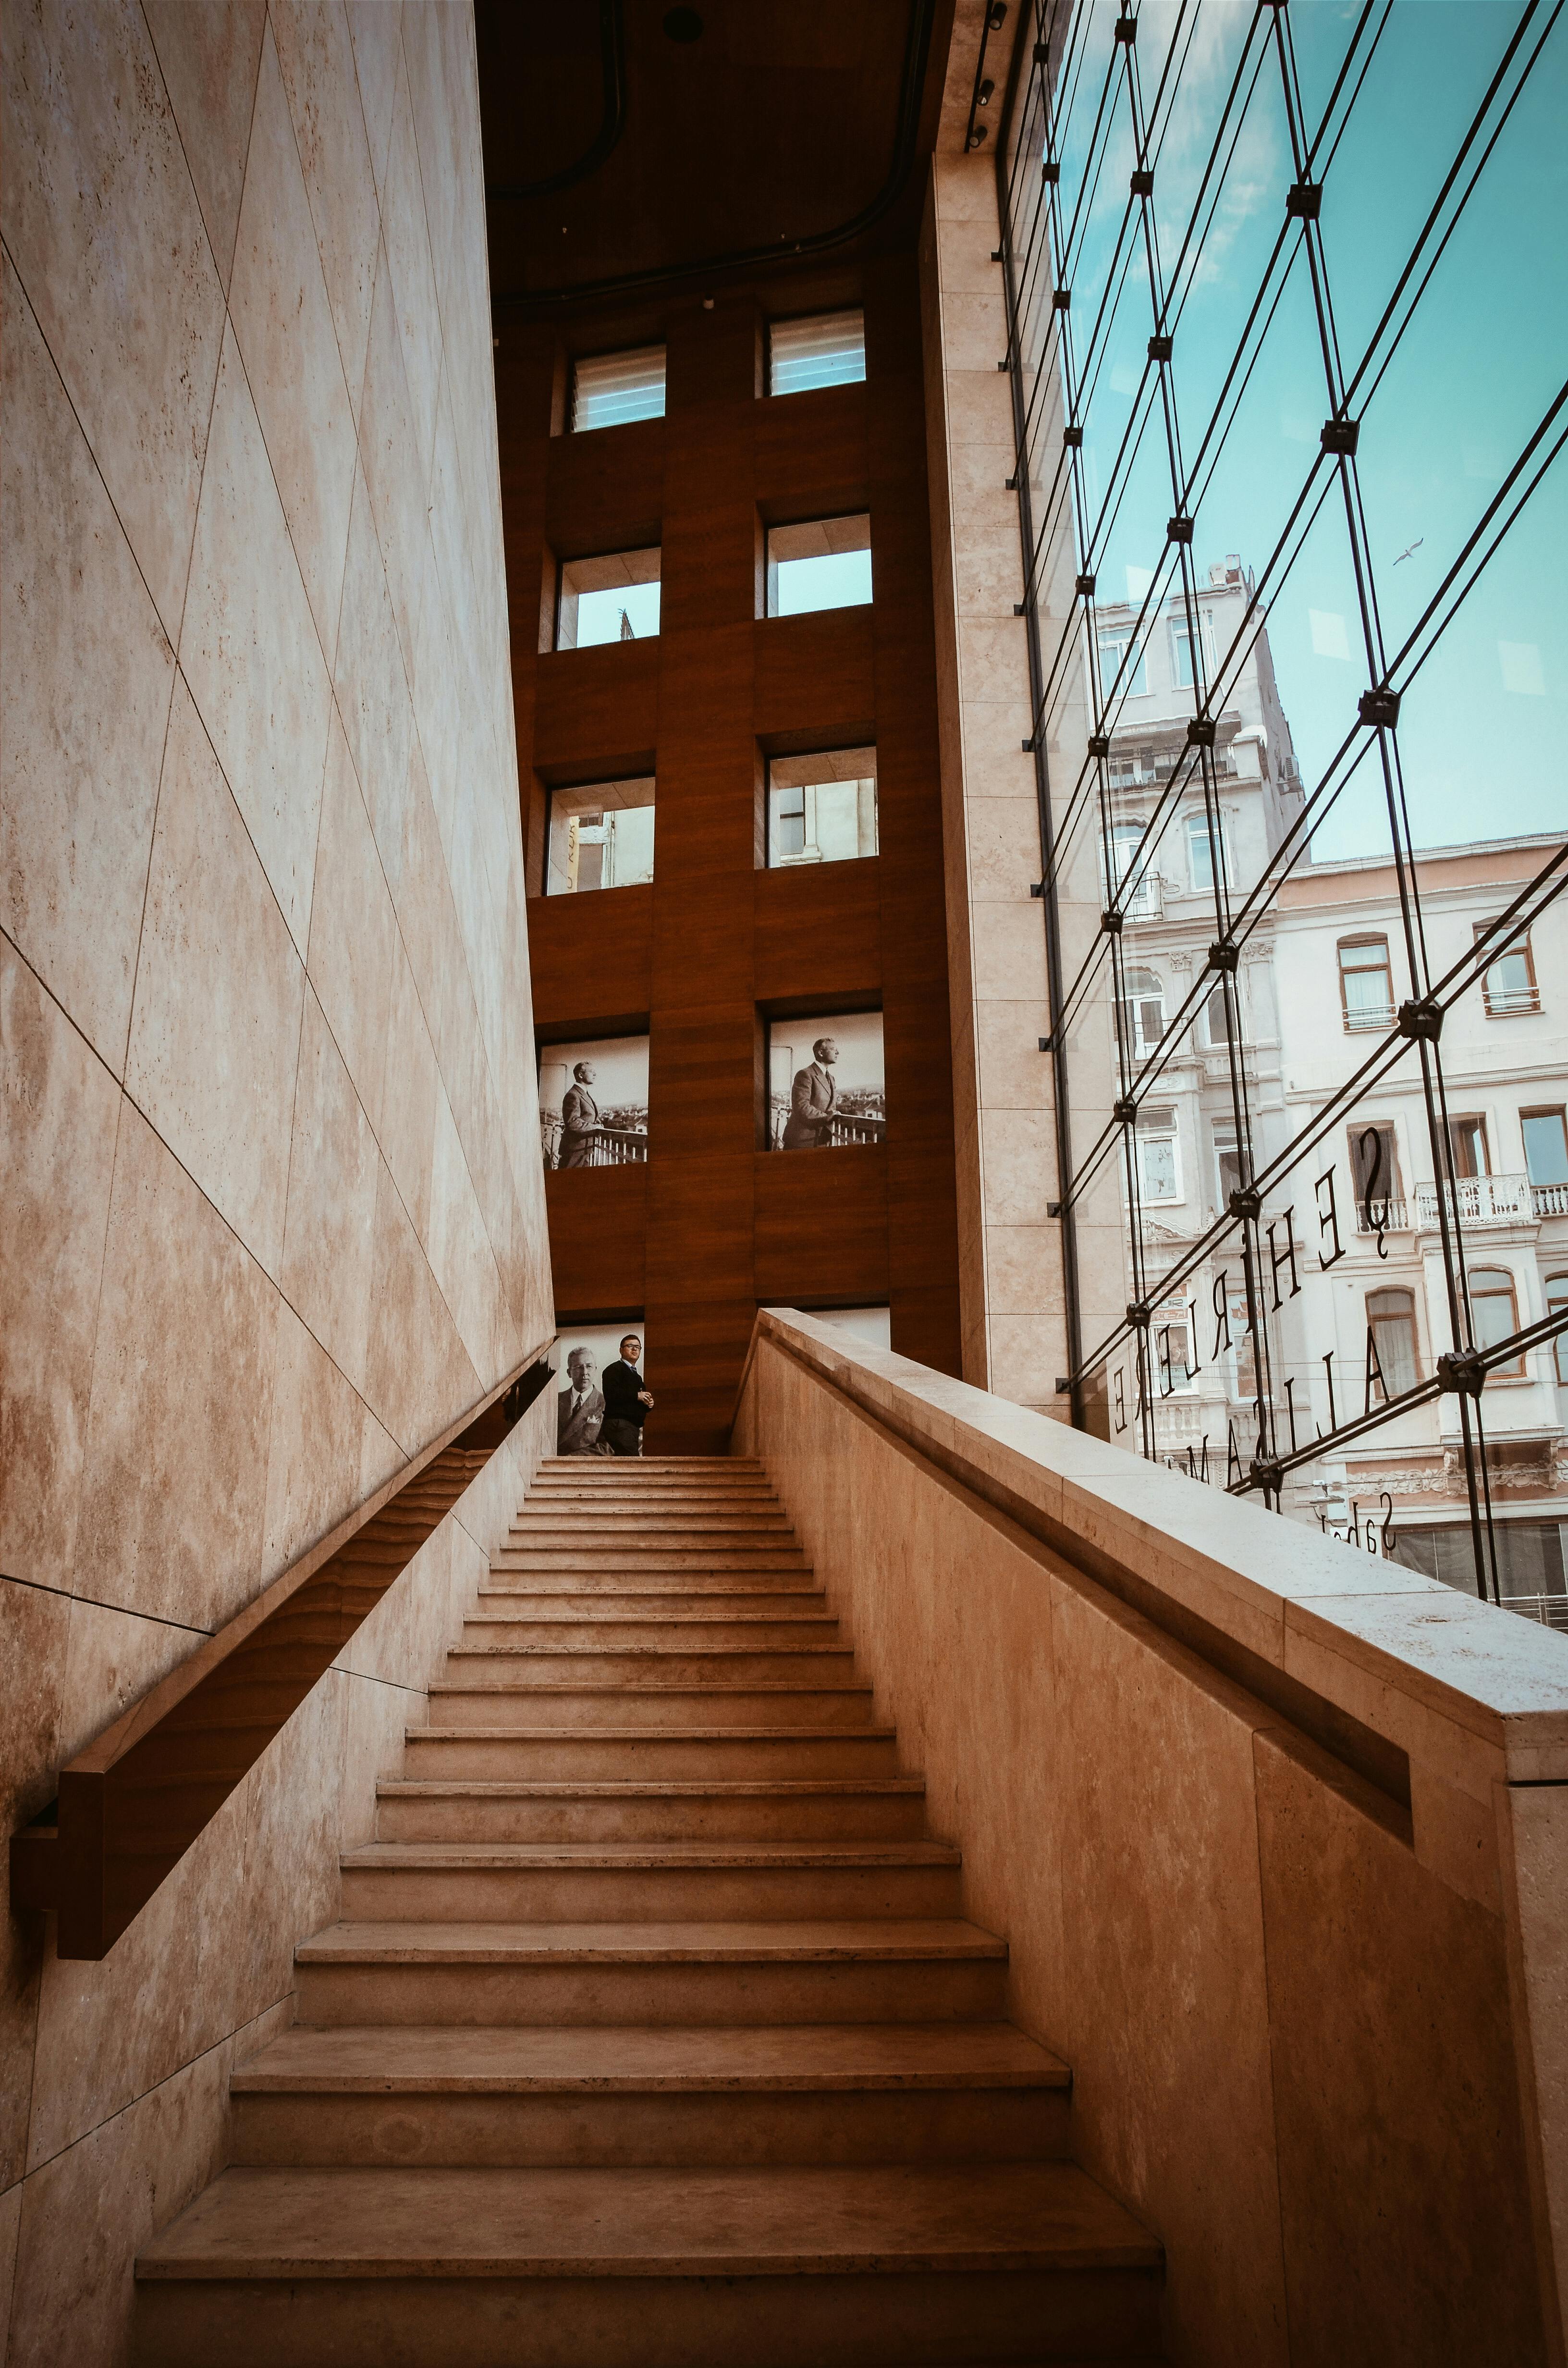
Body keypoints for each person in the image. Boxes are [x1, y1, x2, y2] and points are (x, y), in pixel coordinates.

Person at [782, 1036, 840, 1149]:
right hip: (801, 1141)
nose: (838, 1052)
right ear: (821, 1053)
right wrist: (827, 1117)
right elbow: (801, 1106)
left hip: (822, 1140)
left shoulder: (832, 1078)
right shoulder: (805, 1074)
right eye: (833, 1049)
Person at [600, 1334, 654, 1456]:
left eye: (638, 1347)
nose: (635, 1349)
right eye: (630, 1346)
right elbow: (611, 1394)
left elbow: (637, 1401)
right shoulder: (613, 1370)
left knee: (628, 1462)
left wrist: (649, 1404)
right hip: (620, 1424)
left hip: (631, 1427)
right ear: (621, 1350)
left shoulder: (637, 1376)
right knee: (633, 1464)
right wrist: (637, 1396)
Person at [556, 1348, 606, 1454]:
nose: (585, 1373)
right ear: (569, 1373)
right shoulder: (555, 1401)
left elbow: (608, 1447)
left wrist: (572, 1458)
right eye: (578, 1367)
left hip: (583, 1467)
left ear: (595, 1370)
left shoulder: (606, 1404)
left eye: (589, 1367)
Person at [557, 1061, 600, 1167]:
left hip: (583, 1149)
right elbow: (573, 1122)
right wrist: (596, 1128)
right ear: (581, 1075)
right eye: (591, 1072)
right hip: (575, 1150)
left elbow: (589, 1117)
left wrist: (599, 1124)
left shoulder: (584, 1093)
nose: (595, 1074)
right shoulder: (573, 1094)